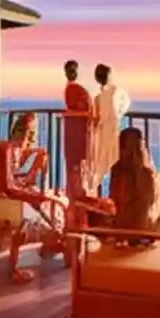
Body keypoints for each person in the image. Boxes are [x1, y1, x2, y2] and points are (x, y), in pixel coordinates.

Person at [0, 112, 66, 283]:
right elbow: (9, 186)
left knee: (39, 203)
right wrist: (35, 197)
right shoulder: (6, 149)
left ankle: (52, 239)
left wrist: (37, 170)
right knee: (24, 215)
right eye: (29, 132)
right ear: (19, 131)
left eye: (33, 133)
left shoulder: (13, 151)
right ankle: (14, 268)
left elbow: (16, 182)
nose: (31, 138)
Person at [108, 127, 160, 247]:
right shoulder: (143, 172)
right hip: (134, 226)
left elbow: (115, 197)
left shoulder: (121, 169)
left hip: (129, 227)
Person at [90, 63, 131, 195]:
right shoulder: (116, 92)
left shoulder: (99, 97)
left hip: (104, 132)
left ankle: (100, 194)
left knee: (102, 163)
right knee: (113, 161)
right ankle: (114, 194)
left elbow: (95, 117)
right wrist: (117, 115)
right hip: (112, 130)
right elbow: (125, 104)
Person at [62, 60, 94, 225]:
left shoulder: (73, 89)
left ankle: (76, 213)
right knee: (77, 173)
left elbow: (84, 109)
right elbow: (87, 110)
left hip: (75, 135)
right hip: (77, 135)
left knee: (75, 172)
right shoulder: (76, 90)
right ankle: (78, 214)